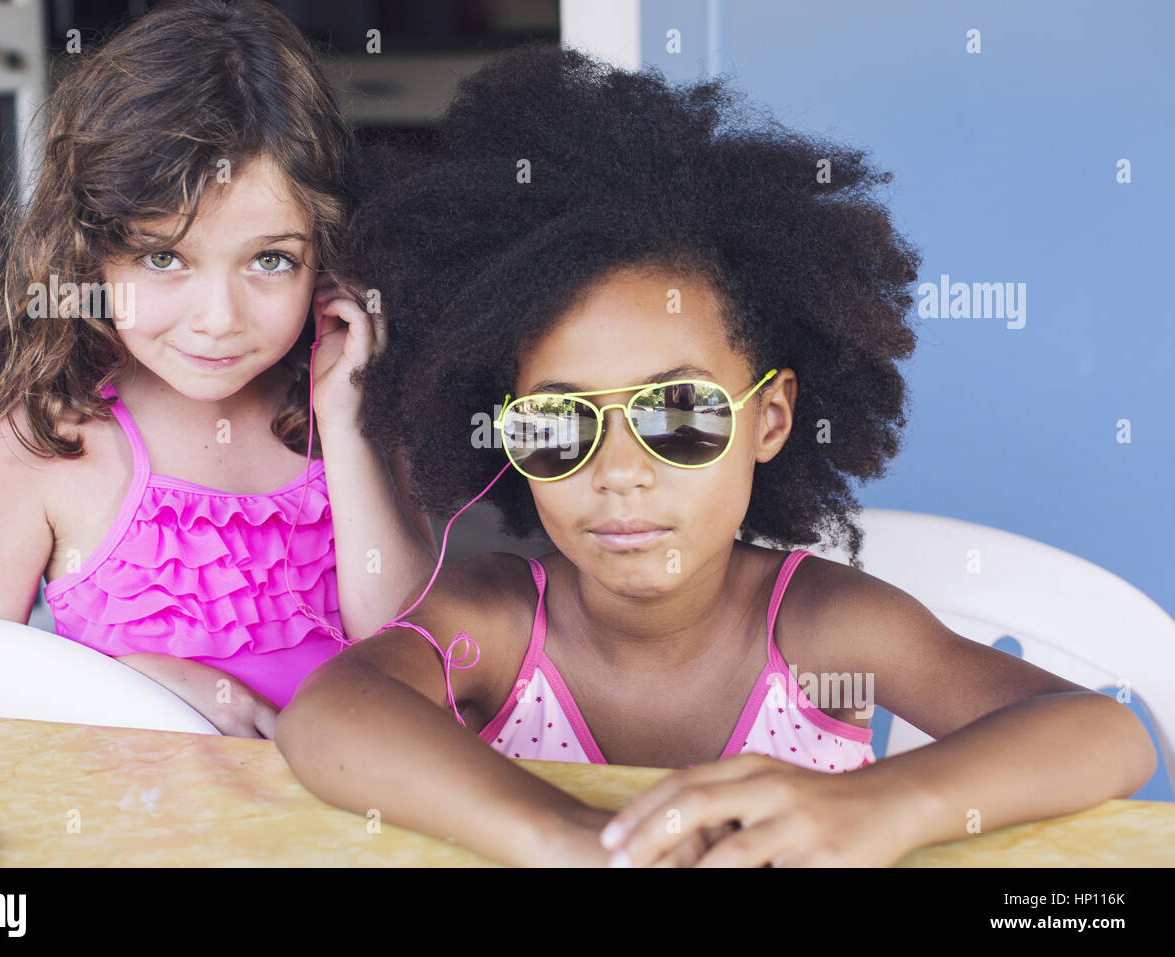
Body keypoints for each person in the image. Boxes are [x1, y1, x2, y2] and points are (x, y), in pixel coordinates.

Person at [274, 44, 1155, 865]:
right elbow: (332, 714)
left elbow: (1100, 732)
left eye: (679, 411)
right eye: (560, 420)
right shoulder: (497, 624)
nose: (619, 469)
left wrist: (881, 805)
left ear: (770, 418)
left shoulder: (820, 631)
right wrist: (577, 841)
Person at [0, 0, 436, 738]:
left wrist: (348, 425)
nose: (218, 316)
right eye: (165, 257)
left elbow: (418, 655)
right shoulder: (39, 443)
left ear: (323, 258)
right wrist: (133, 683)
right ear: (90, 251)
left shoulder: (355, 411)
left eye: (270, 260)